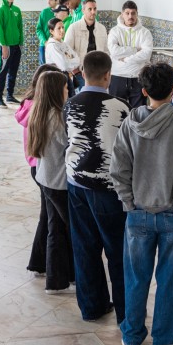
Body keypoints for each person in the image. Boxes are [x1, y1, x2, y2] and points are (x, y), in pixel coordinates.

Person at [110, 62, 173, 345]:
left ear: (144, 91)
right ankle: (165, 340)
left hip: (137, 213)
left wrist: (128, 203)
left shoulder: (129, 125)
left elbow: (118, 169)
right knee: (172, 282)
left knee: (135, 280)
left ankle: (132, 336)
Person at [64, 50, 130, 323]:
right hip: (110, 189)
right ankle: (125, 313)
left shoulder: (70, 104)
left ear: (82, 71)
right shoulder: (122, 107)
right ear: (108, 76)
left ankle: (92, 306)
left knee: (84, 247)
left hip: (76, 184)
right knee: (117, 250)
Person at [27, 71, 76, 295]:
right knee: (74, 232)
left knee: (55, 229)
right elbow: (71, 147)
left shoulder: (40, 112)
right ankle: (76, 276)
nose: (68, 91)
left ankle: (56, 281)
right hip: (59, 184)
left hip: (45, 178)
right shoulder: (57, 118)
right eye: (66, 88)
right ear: (58, 91)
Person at [16, 64, 61, 277]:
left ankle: (38, 262)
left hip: (36, 166)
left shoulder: (28, 105)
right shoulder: (41, 109)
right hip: (44, 166)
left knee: (47, 216)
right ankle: (50, 268)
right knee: (51, 219)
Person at [107, 0, 154, 109]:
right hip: (117, 76)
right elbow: (114, 51)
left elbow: (146, 54)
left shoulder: (145, 32)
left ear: (137, 14)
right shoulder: (114, 31)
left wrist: (126, 59)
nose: (130, 16)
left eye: (133, 13)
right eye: (127, 13)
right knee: (116, 113)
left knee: (138, 114)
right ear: (122, 14)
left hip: (138, 77)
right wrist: (134, 50)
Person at [0, 0, 24, 107]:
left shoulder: (17, 10)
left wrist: (21, 43)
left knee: (13, 71)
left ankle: (10, 95)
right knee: (2, 72)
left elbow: (20, 27)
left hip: (16, 46)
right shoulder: (0, 10)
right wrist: (4, 45)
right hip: (6, 46)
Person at [66, 0, 108, 75]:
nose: (93, 12)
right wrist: (74, 69)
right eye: (90, 9)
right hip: (80, 71)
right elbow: (67, 50)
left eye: (95, 9)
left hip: (99, 71)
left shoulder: (102, 28)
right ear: (83, 11)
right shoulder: (73, 28)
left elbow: (106, 50)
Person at [45, 18, 80, 93]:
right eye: (59, 28)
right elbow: (63, 66)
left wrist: (68, 64)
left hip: (68, 78)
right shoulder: (52, 46)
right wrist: (70, 63)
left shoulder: (64, 44)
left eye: (63, 27)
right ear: (51, 31)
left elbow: (78, 60)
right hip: (57, 82)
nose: (62, 30)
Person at [36, 0, 59, 64]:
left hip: (57, 46)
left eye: (51, 0)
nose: (48, 2)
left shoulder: (62, 12)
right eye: (48, 0)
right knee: (43, 69)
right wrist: (45, 41)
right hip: (44, 45)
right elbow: (39, 29)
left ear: (57, 0)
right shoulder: (44, 12)